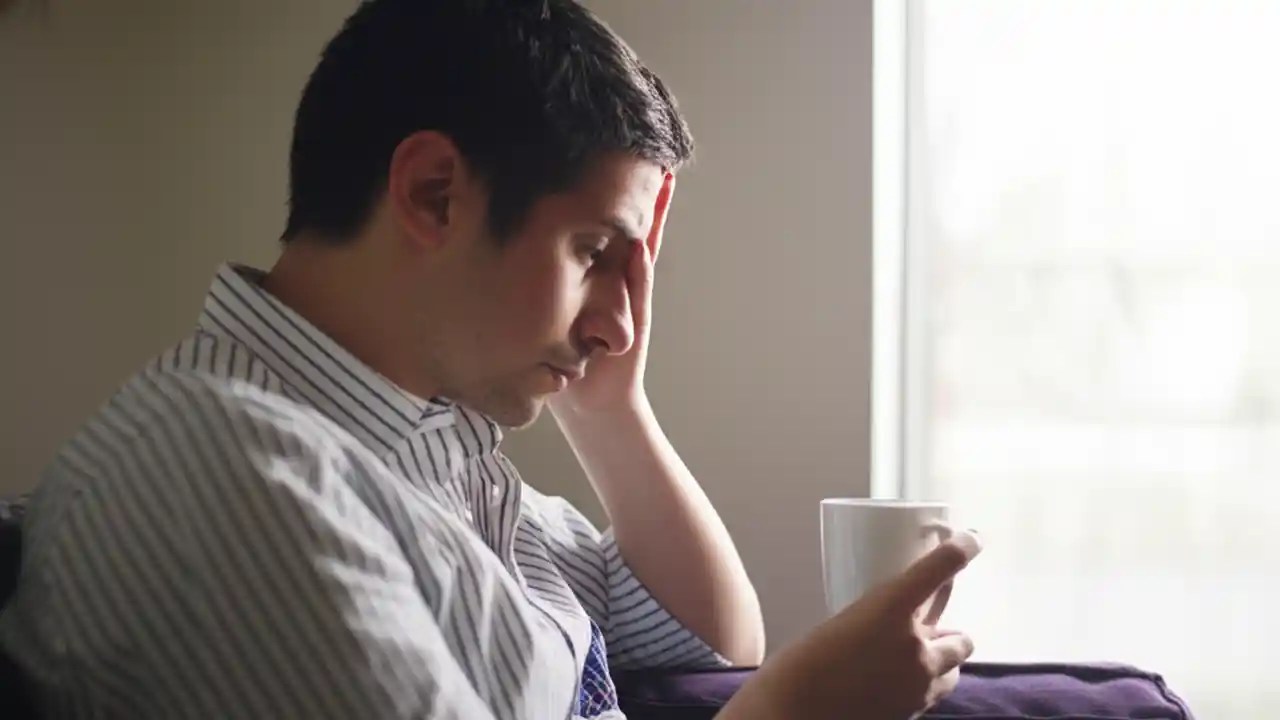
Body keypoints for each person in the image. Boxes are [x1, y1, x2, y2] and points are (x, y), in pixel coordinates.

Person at [0, 0, 980, 717]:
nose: (620, 321)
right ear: (432, 195)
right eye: (593, 251)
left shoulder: (428, 450)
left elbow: (710, 644)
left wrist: (609, 409)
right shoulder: (226, 474)